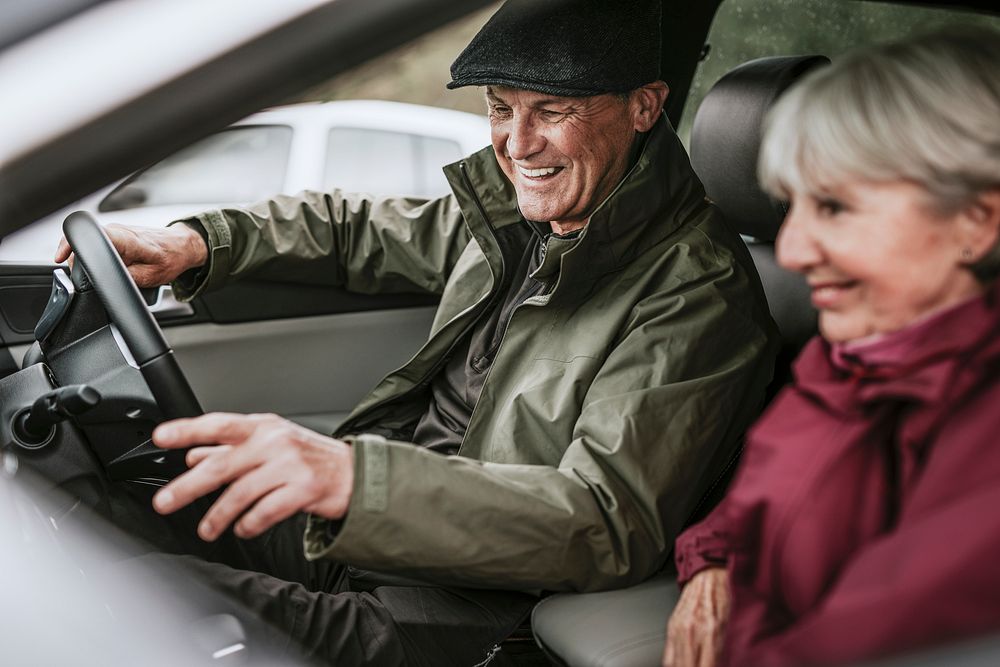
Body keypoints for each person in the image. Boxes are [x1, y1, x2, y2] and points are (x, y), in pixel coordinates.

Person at [58, 1, 777, 664]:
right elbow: (355, 230)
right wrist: (202, 242)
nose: (516, 143)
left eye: (552, 111)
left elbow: (600, 521)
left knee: (130, 609)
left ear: (645, 106)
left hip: (471, 597)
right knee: (95, 518)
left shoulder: (696, 291)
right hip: (379, 526)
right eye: (501, 109)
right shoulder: (519, 217)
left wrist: (356, 479)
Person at [663, 26, 1000, 667]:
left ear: (976, 221)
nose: (790, 250)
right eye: (792, 206)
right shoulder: (853, 354)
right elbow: (755, 504)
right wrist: (711, 564)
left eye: (836, 208)